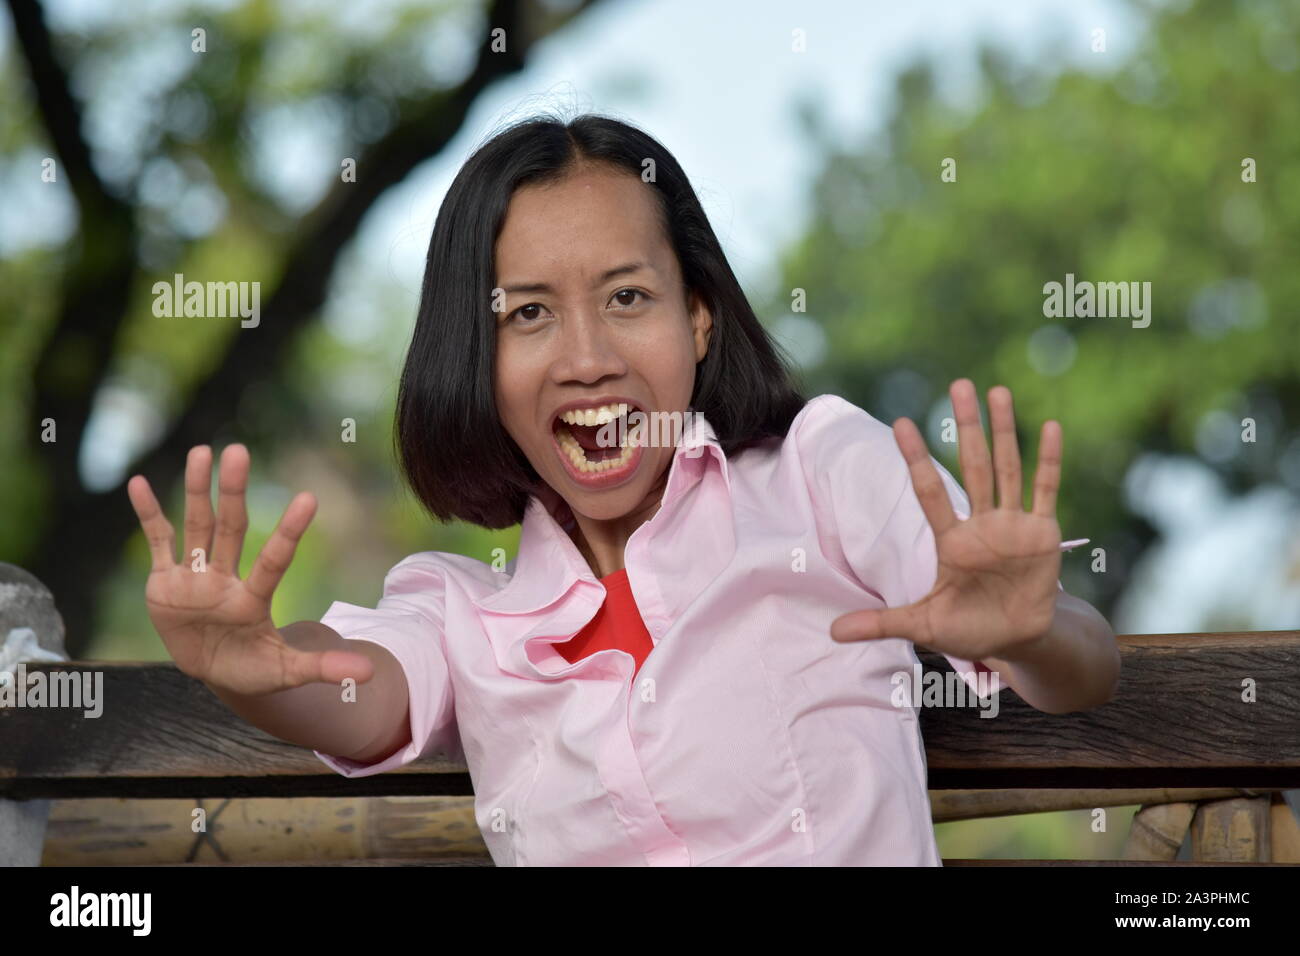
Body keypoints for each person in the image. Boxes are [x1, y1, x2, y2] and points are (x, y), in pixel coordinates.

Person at [127, 113, 1120, 866]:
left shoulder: (822, 469)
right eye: (527, 314)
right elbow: (353, 689)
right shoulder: (462, 608)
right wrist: (251, 664)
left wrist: (1027, 628)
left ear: (697, 317)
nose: (587, 357)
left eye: (627, 297)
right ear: (475, 357)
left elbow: (1077, 666)